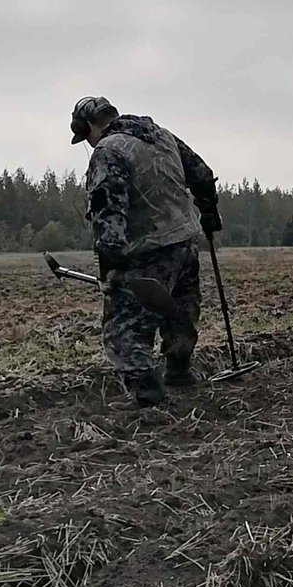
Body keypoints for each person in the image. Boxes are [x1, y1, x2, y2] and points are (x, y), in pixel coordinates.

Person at [71, 96, 222, 406]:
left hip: (147, 252)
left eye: (84, 135)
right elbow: (203, 175)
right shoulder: (163, 136)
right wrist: (208, 212)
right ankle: (179, 372)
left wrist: (110, 268)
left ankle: (146, 390)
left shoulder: (109, 150)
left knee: (123, 328)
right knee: (179, 313)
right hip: (186, 245)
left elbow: (107, 211)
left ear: (88, 127)